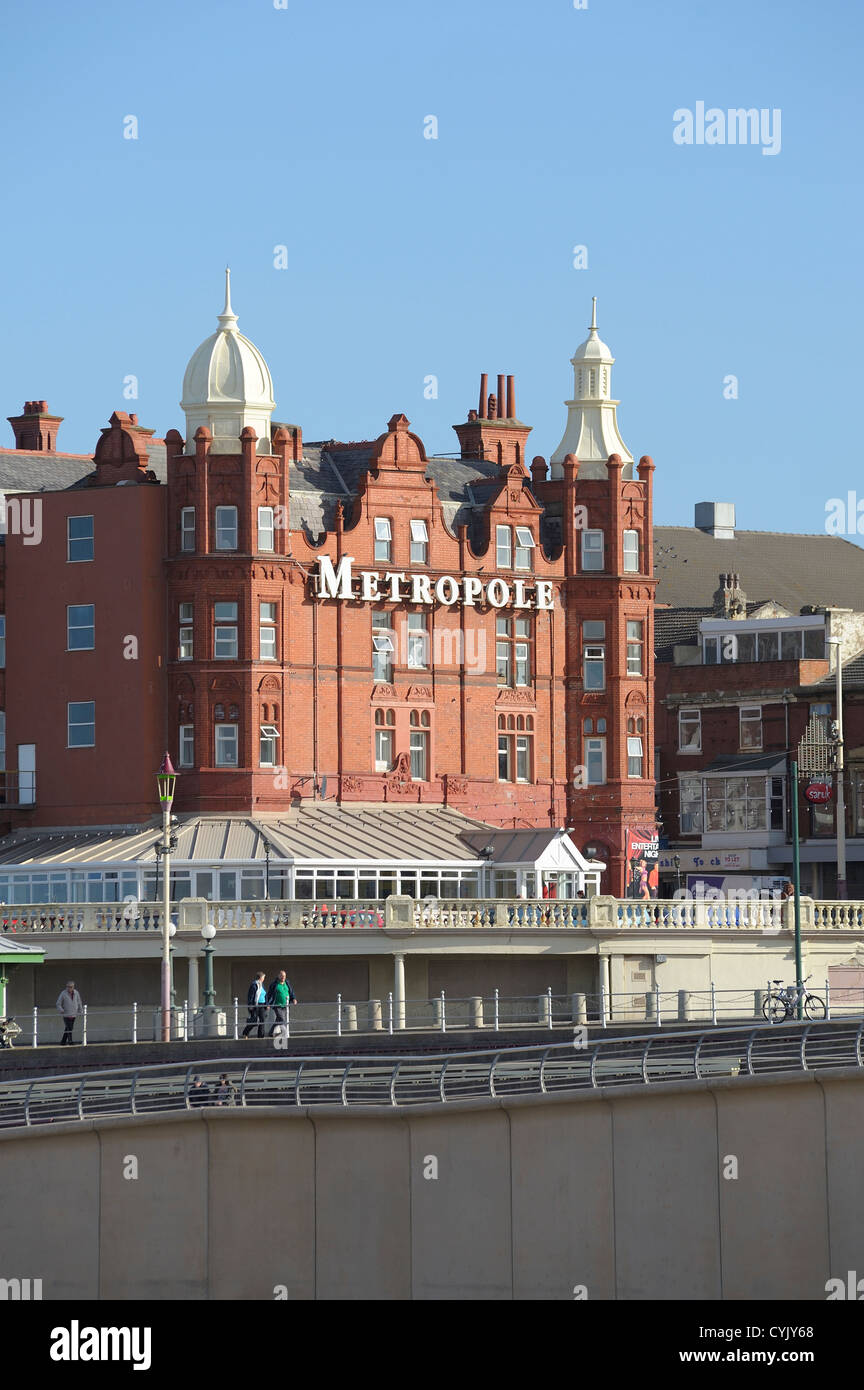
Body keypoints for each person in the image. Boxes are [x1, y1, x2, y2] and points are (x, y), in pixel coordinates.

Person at [267, 969, 297, 1036]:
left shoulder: (287, 983)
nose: (283, 977)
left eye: (284, 976)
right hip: (277, 1004)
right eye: (282, 976)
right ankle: (284, 1033)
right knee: (281, 1019)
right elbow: (269, 994)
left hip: (285, 1005)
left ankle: (271, 1032)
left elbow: (291, 992)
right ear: (278, 976)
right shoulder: (274, 984)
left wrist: (294, 999)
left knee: (279, 1020)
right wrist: (268, 1003)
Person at [242, 971, 267, 1038]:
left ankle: (260, 1036)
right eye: (264, 977)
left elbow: (265, 995)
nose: (264, 979)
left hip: (262, 1005)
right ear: (261, 977)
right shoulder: (254, 985)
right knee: (254, 1021)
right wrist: (250, 1005)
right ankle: (245, 1033)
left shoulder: (262, 985)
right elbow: (251, 996)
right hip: (255, 1005)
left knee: (262, 1020)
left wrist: (266, 1004)